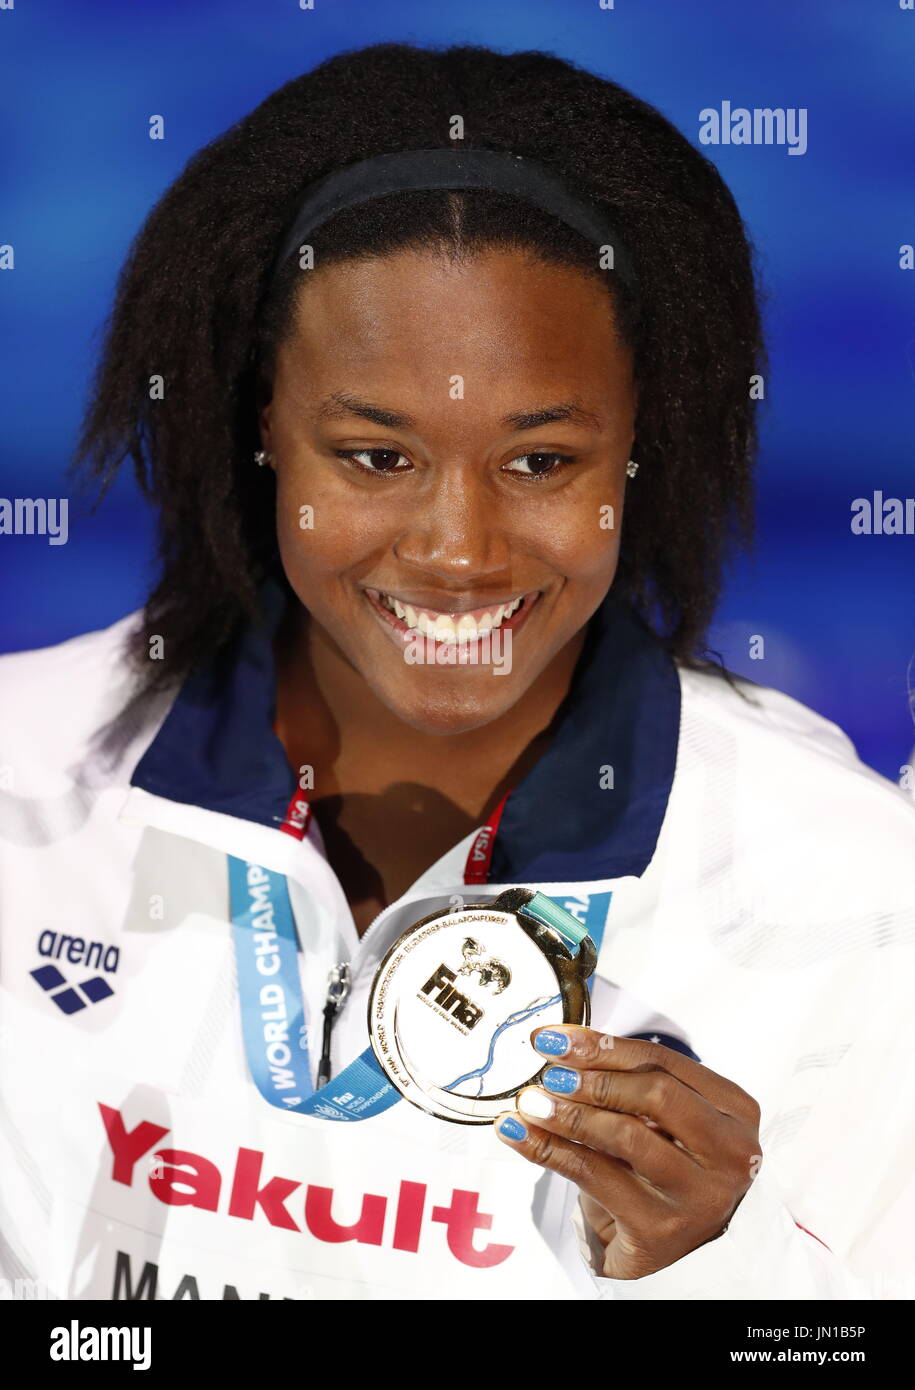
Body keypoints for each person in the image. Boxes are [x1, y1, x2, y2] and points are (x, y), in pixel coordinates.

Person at [1, 41, 913, 1303]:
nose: (459, 551)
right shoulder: (19, 777)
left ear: (641, 442)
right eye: (376, 457)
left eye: (541, 463)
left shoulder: (858, 890)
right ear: (260, 422)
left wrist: (717, 1268)